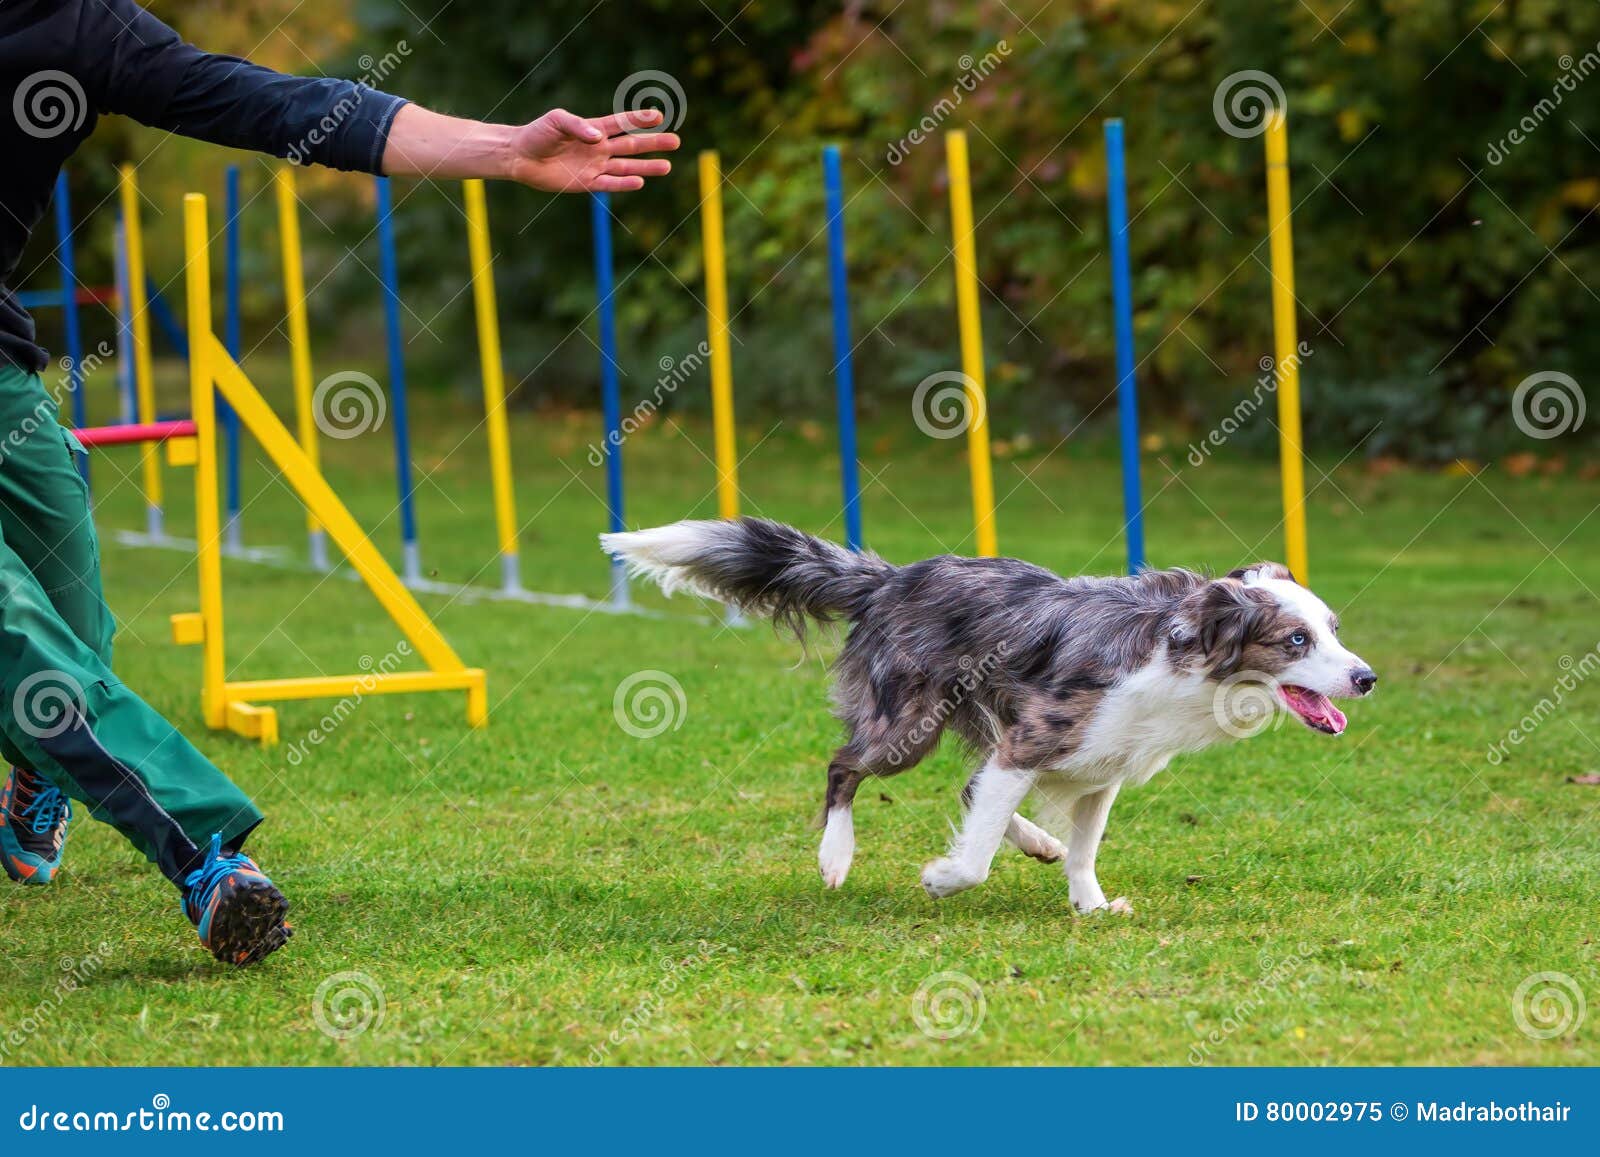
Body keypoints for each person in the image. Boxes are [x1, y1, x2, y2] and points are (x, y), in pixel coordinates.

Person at [0, 0, 678, 966]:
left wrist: (505, 151)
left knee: (72, 625)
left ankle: (36, 768)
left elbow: (276, 104)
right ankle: (206, 855)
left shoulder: (78, 28)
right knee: (15, 631)